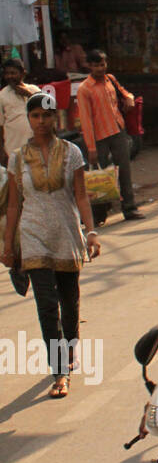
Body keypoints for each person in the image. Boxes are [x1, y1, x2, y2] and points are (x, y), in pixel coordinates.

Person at [2, 92, 102, 400]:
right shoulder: (18, 158)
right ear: (29, 120)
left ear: (54, 118)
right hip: (33, 234)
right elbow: (14, 205)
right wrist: (8, 245)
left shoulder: (71, 153)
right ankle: (60, 372)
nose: (41, 121)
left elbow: (81, 196)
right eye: (35, 116)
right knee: (46, 306)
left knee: (69, 304)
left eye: (46, 115)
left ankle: (69, 349)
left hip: (66, 233)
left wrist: (91, 231)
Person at [79, 50, 144, 220]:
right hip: (98, 136)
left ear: (105, 64)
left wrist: (129, 98)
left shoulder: (111, 80)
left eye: (102, 64)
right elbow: (85, 120)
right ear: (89, 66)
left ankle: (129, 208)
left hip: (117, 130)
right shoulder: (84, 89)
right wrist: (91, 147)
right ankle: (99, 214)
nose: (99, 68)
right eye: (95, 65)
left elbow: (125, 93)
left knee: (124, 170)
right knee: (98, 176)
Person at [0, 58, 41, 167]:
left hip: (38, 148)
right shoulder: (2, 95)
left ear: (23, 73)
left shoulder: (34, 90)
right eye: (7, 73)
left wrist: (28, 94)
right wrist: (2, 152)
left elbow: (47, 110)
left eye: (13, 73)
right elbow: (0, 126)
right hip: (14, 149)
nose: (9, 76)